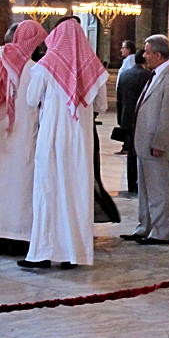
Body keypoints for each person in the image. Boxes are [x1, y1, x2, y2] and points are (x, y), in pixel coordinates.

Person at [18, 20, 109, 269]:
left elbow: (30, 98)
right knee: (77, 193)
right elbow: (101, 106)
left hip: (53, 139)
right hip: (80, 142)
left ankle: (43, 253)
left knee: (48, 193)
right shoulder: (94, 67)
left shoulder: (46, 66)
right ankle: (73, 254)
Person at [0, 19, 47, 257]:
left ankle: (0, 236)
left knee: (2, 183)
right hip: (25, 134)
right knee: (23, 183)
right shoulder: (34, 69)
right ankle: (20, 237)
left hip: (1, 133)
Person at [120, 34, 169, 245]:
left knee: (159, 190)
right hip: (144, 143)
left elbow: (168, 115)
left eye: (147, 52)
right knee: (146, 189)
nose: (144, 55)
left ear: (158, 54)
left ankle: (159, 232)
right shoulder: (156, 74)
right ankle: (144, 227)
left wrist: (159, 142)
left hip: (157, 146)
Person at [117, 49, 152, 193]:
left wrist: (121, 119)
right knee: (143, 153)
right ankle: (142, 183)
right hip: (143, 120)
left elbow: (119, 99)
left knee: (131, 153)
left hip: (127, 119)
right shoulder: (148, 76)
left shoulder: (125, 74)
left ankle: (131, 184)